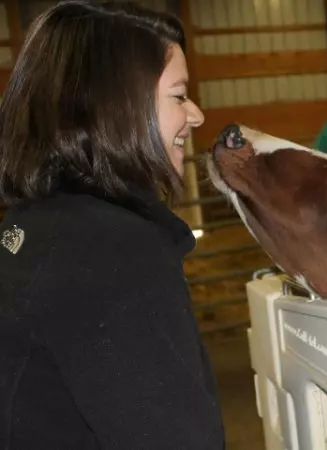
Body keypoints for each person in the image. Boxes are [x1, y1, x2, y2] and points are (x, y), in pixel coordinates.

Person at [0, 2, 225, 449]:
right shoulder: (113, 253)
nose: (195, 115)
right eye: (179, 96)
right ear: (120, 106)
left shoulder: (34, 227)